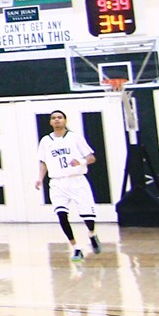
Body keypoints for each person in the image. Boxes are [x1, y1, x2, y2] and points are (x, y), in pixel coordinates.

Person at [33, 110, 101, 259]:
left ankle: (91, 234)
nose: (57, 120)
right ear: (50, 122)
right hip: (57, 183)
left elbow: (91, 158)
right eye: (53, 118)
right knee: (62, 215)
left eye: (60, 117)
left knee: (88, 217)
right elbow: (43, 162)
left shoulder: (75, 137)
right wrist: (39, 178)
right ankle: (76, 248)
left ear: (65, 120)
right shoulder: (45, 141)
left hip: (77, 180)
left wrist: (80, 161)